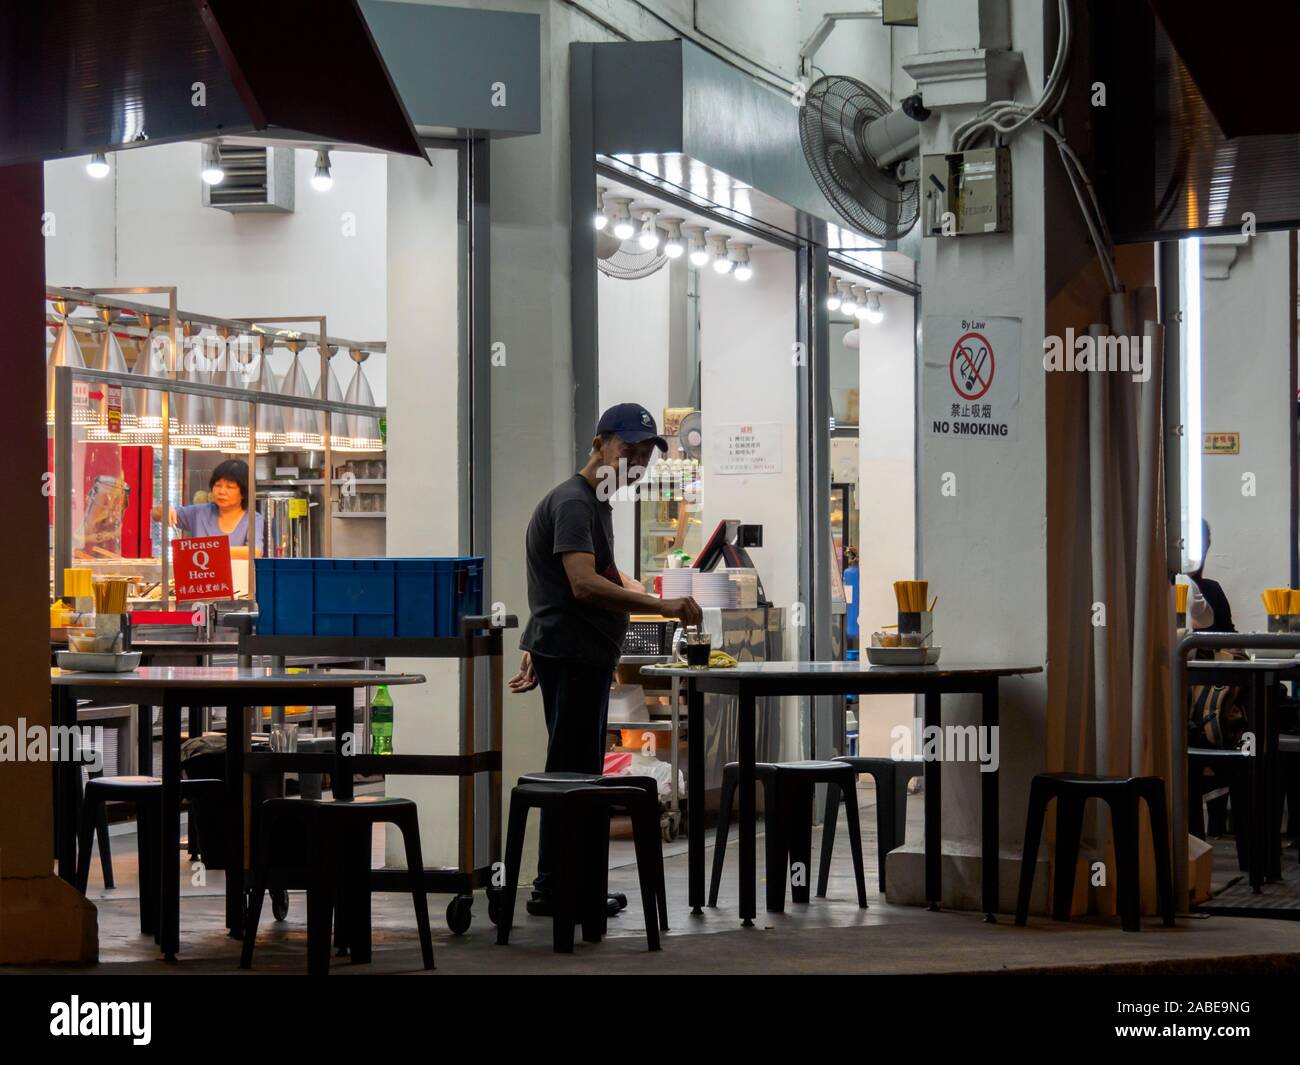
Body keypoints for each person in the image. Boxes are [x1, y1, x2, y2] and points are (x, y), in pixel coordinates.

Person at [509, 402, 703, 917]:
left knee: (578, 772)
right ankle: (557, 886)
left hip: (580, 653)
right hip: (572, 656)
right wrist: (661, 606)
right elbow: (582, 584)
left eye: (645, 457)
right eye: (628, 451)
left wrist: (538, 637)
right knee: (571, 775)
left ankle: (570, 883)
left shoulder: (595, 507)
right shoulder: (574, 503)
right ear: (599, 445)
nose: (635, 465)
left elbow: (606, 576)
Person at [156, 458, 264, 559]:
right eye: (217, 485)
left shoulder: (253, 519)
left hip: (238, 578)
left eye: (230, 487)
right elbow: (156, 514)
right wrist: (164, 509)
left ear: (244, 493)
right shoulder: (198, 513)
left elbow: (255, 552)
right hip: (199, 578)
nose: (221, 491)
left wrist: (204, 551)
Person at [1186, 520, 1234, 632]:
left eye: (1203, 546)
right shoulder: (1166, 593)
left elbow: (1230, 637)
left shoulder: (1213, 590)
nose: (1200, 553)